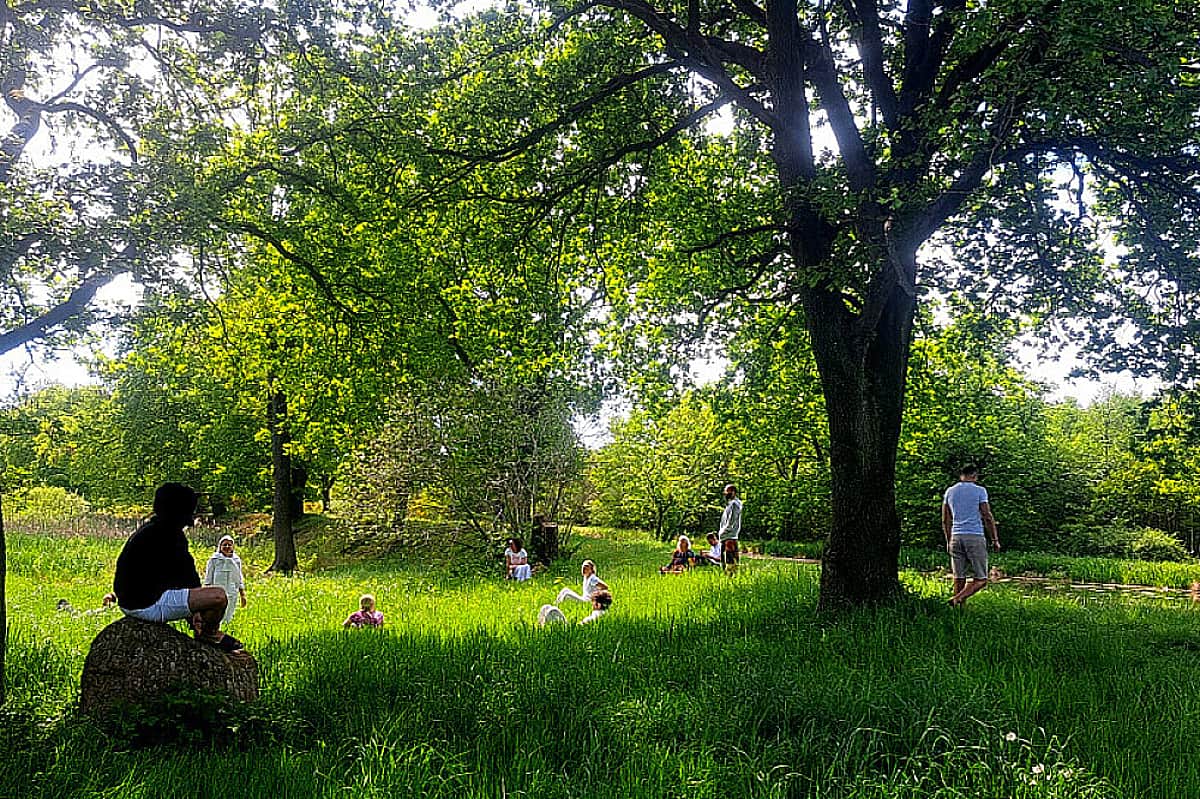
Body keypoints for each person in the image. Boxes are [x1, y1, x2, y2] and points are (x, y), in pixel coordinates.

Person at [113, 483, 242, 653]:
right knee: (218, 597)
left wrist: (194, 611)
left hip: (135, 600)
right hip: (145, 603)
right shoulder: (166, 535)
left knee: (208, 597)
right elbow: (185, 577)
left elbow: (183, 577)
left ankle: (204, 631)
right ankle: (209, 634)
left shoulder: (152, 531)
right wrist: (197, 609)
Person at [942, 464, 1001, 607]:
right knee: (981, 579)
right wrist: (995, 539)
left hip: (955, 537)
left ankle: (959, 612)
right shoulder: (980, 491)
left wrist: (948, 540)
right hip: (974, 536)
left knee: (959, 577)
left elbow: (945, 519)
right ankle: (956, 599)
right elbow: (987, 515)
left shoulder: (950, 491)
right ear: (974, 475)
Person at [204, 535, 247, 625]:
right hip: (217, 592)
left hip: (232, 592)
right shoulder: (214, 560)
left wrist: (242, 594)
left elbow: (238, 578)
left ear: (233, 547)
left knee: (229, 613)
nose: (227, 547)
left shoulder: (236, 560)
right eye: (225, 545)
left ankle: (227, 628)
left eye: (229, 545)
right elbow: (208, 578)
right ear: (220, 546)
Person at [718, 483, 743, 575]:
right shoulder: (730, 504)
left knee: (730, 559)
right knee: (726, 559)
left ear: (733, 492)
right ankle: (729, 576)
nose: (725, 493)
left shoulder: (734, 504)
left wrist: (723, 531)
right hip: (726, 536)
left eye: (727, 491)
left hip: (729, 536)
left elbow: (731, 521)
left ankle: (731, 577)